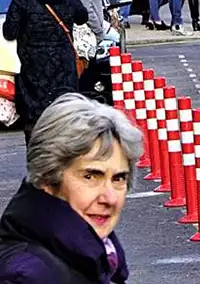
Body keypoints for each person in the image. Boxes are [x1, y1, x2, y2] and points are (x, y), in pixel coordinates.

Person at [0, 93, 139, 282]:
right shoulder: (29, 276)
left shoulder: (92, 259)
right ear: (47, 179)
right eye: (90, 176)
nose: (110, 198)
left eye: (119, 178)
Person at [1, 0, 90, 145]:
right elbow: (83, 16)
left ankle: (38, 163)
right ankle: (64, 162)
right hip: (63, 64)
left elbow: (9, 31)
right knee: (65, 115)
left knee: (35, 119)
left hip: (33, 67)